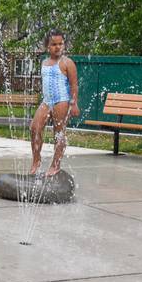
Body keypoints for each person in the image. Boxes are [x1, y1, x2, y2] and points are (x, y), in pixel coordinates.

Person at [29, 29, 80, 176]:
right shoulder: (44, 62)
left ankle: (55, 164)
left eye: (60, 44)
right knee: (34, 128)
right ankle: (36, 159)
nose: (58, 47)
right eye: (54, 44)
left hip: (61, 101)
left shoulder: (67, 63)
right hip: (47, 101)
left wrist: (74, 103)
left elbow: (74, 84)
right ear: (47, 47)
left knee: (58, 133)